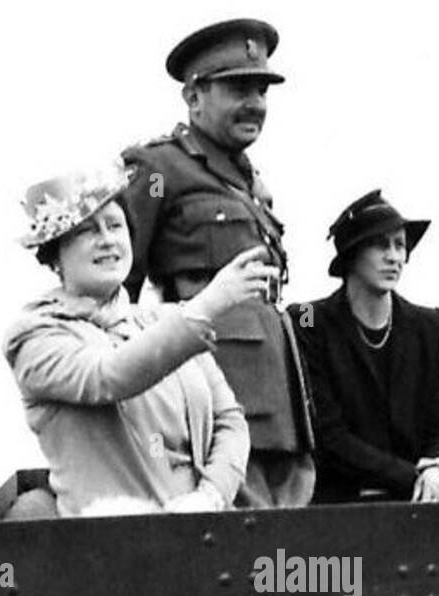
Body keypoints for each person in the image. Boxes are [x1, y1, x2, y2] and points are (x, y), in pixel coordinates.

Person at [119, 18, 316, 509]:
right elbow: (122, 283)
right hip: (216, 395)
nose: (255, 103)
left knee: (289, 549)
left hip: (278, 395)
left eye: (262, 90)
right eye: (238, 88)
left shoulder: (250, 181)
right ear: (194, 97)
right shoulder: (158, 169)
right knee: (244, 552)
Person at [4, 160, 274, 516]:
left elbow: (230, 420)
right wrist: (205, 305)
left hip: (205, 537)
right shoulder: (36, 335)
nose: (107, 240)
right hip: (110, 551)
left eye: (115, 225)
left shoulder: (163, 320)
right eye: (87, 230)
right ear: (55, 255)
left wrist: (209, 497)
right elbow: (108, 376)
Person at [291, 190, 439, 504]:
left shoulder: (432, 325)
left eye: (400, 245)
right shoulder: (309, 320)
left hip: (420, 503)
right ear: (351, 254)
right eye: (381, 245)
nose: (394, 257)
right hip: (341, 508)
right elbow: (329, 438)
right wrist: (414, 478)